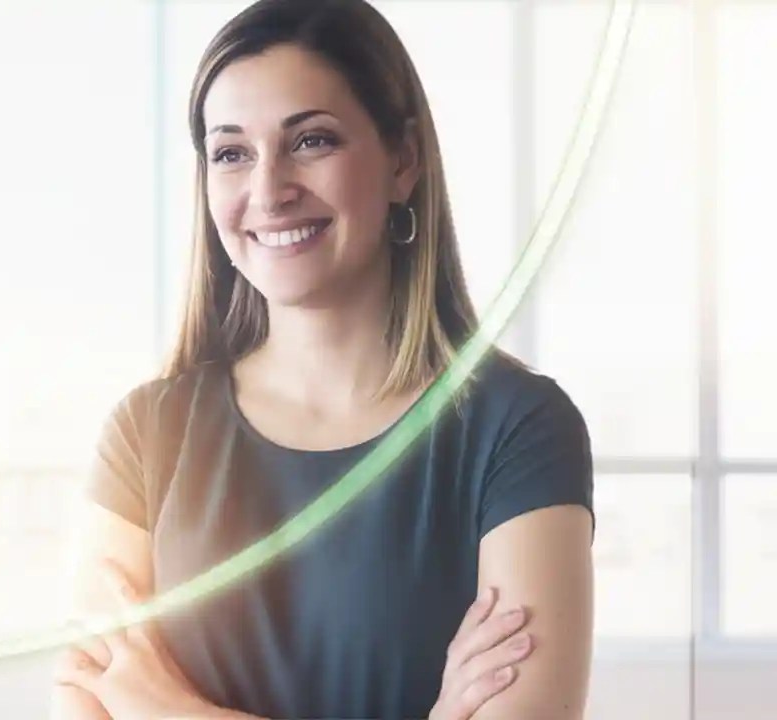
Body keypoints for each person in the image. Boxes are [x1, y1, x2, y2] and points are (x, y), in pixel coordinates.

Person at [51, 0, 595, 718]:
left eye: (311, 141)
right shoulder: (148, 434)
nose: (269, 190)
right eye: (232, 152)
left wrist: (172, 709)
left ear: (402, 160)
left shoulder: (516, 429)